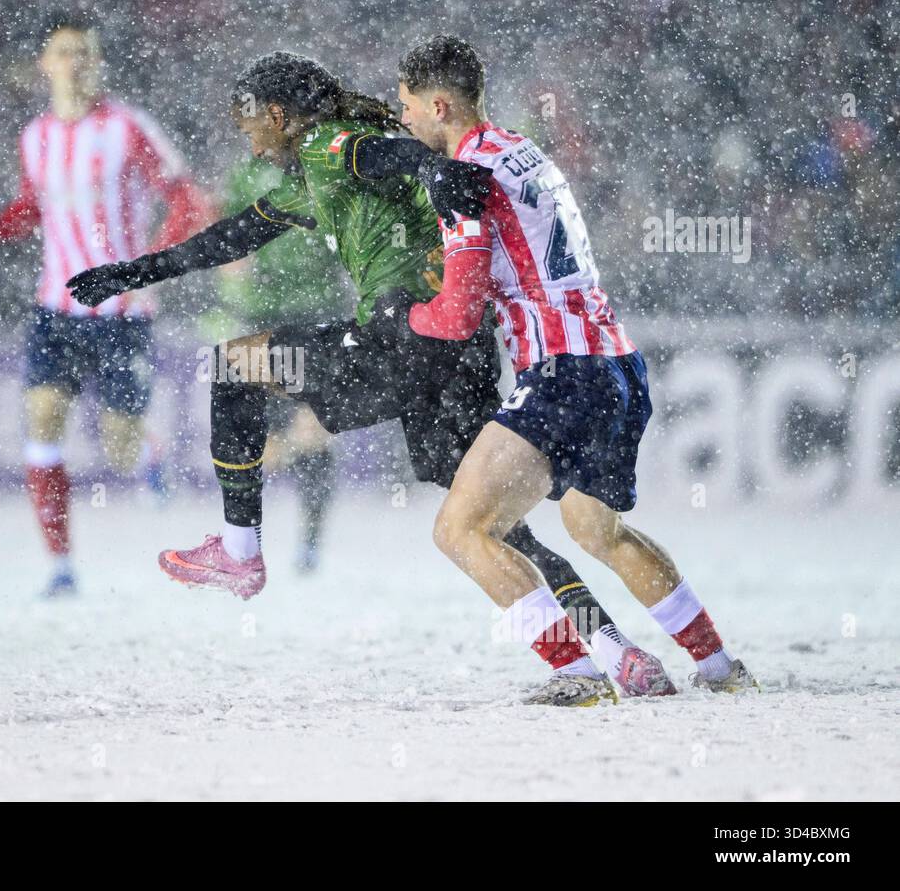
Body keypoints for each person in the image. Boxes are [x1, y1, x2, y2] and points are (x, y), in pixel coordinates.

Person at [67, 52, 676, 700]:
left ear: (277, 115)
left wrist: (432, 166)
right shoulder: (311, 179)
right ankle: (617, 651)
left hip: (401, 338)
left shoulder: (329, 146)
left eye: (247, 123)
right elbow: (231, 239)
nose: (244, 136)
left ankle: (241, 550)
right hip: (459, 348)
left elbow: (383, 156)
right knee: (497, 528)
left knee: (235, 364)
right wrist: (133, 274)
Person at [385, 34, 756, 702]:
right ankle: (721, 668)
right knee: (596, 529)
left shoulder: (461, 183)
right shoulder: (520, 149)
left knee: (461, 529)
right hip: (616, 362)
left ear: (439, 104)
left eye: (407, 104)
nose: (402, 116)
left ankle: (578, 675)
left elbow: (459, 315)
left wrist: (403, 316)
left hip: (561, 373)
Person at [0, 12, 208, 597]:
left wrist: (153, 267)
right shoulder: (35, 136)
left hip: (120, 311)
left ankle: (147, 452)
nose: (78, 62)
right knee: (42, 421)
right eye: (66, 51)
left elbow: (188, 200)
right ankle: (61, 566)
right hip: (55, 308)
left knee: (117, 449)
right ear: (45, 64)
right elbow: (33, 208)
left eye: (87, 52)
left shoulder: (127, 127)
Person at [213, 155, 347, 573]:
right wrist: (232, 273)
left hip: (319, 315)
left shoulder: (330, 171)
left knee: (314, 431)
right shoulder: (246, 175)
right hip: (262, 317)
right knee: (267, 444)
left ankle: (309, 544)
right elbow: (230, 241)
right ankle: (244, 546)